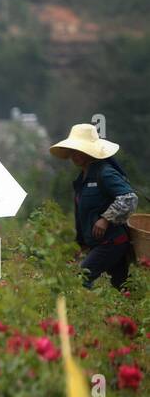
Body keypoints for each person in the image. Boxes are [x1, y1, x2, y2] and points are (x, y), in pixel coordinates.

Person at [49, 123, 139, 291]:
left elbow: (129, 198)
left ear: (90, 151)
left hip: (112, 242)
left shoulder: (105, 173)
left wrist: (106, 219)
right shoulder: (81, 180)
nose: (75, 155)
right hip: (100, 243)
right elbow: (84, 215)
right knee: (123, 289)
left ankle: (76, 315)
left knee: (81, 279)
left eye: (80, 150)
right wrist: (81, 243)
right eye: (73, 150)